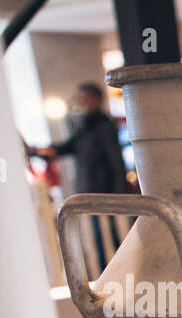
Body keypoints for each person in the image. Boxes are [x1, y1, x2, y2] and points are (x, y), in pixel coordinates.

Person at [28, 81, 128, 269]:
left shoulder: (104, 126)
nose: (81, 102)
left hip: (105, 194)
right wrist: (35, 151)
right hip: (89, 193)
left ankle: (117, 272)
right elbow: (65, 147)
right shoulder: (84, 128)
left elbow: (116, 162)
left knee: (110, 238)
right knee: (98, 239)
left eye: (84, 98)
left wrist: (119, 194)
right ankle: (108, 273)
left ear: (96, 99)